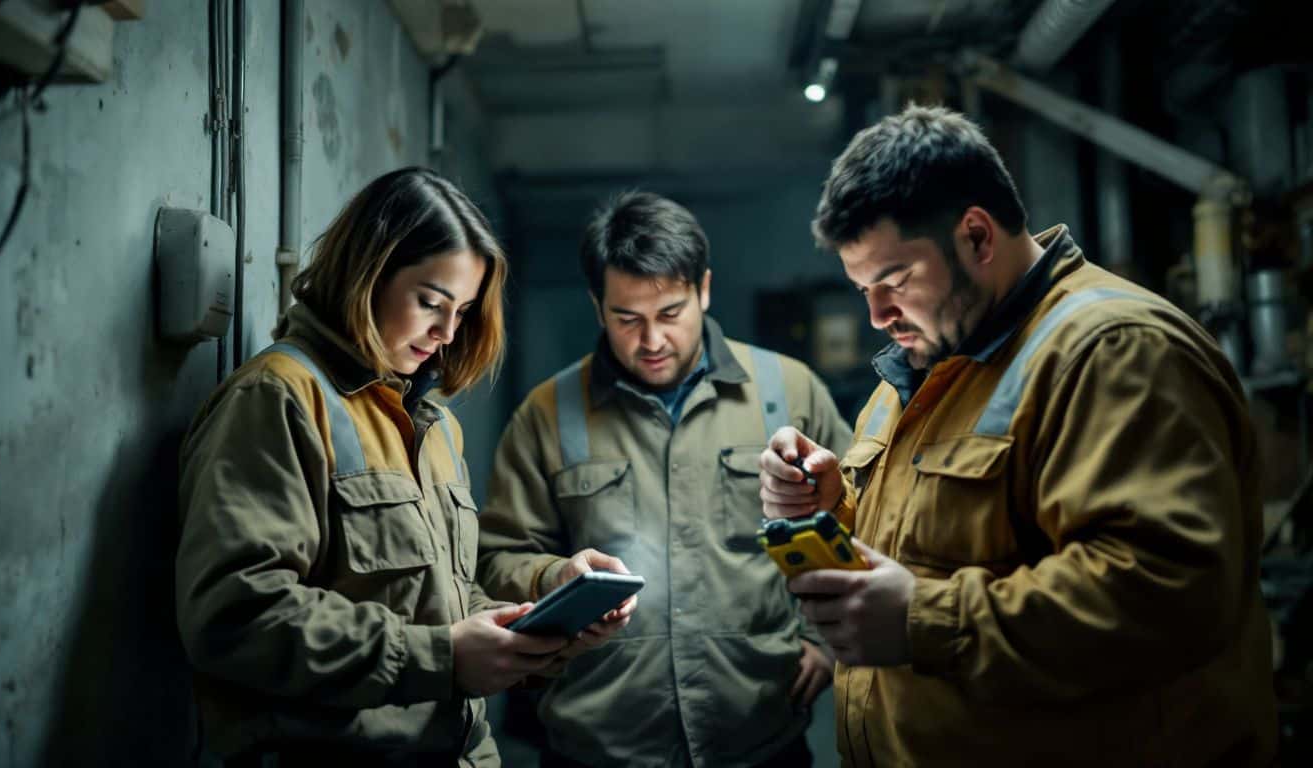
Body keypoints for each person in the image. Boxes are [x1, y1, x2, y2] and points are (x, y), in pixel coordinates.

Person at [758, 104, 1279, 765]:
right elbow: (944, 544)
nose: (878, 316)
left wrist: (924, 620)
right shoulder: (926, 363)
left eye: (894, 281)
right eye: (863, 289)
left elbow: (1167, 595)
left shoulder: (1115, 351)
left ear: (977, 237)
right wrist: (831, 506)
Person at [175, 167, 580, 767]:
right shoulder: (277, 398)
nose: (447, 333)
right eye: (430, 303)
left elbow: (438, 598)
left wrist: (520, 626)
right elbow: (236, 614)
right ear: (367, 274)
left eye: (464, 311)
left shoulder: (436, 427)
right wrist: (442, 657)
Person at [476, 191, 853, 767]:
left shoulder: (789, 389)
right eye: (627, 319)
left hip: (761, 739)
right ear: (598, 307)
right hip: (599, 748)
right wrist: (555, 576)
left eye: (670, 314)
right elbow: (496, 560)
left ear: (704, 290)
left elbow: (861, 521)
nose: (651, 341)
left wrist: (824, 643)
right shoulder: (546, 415)